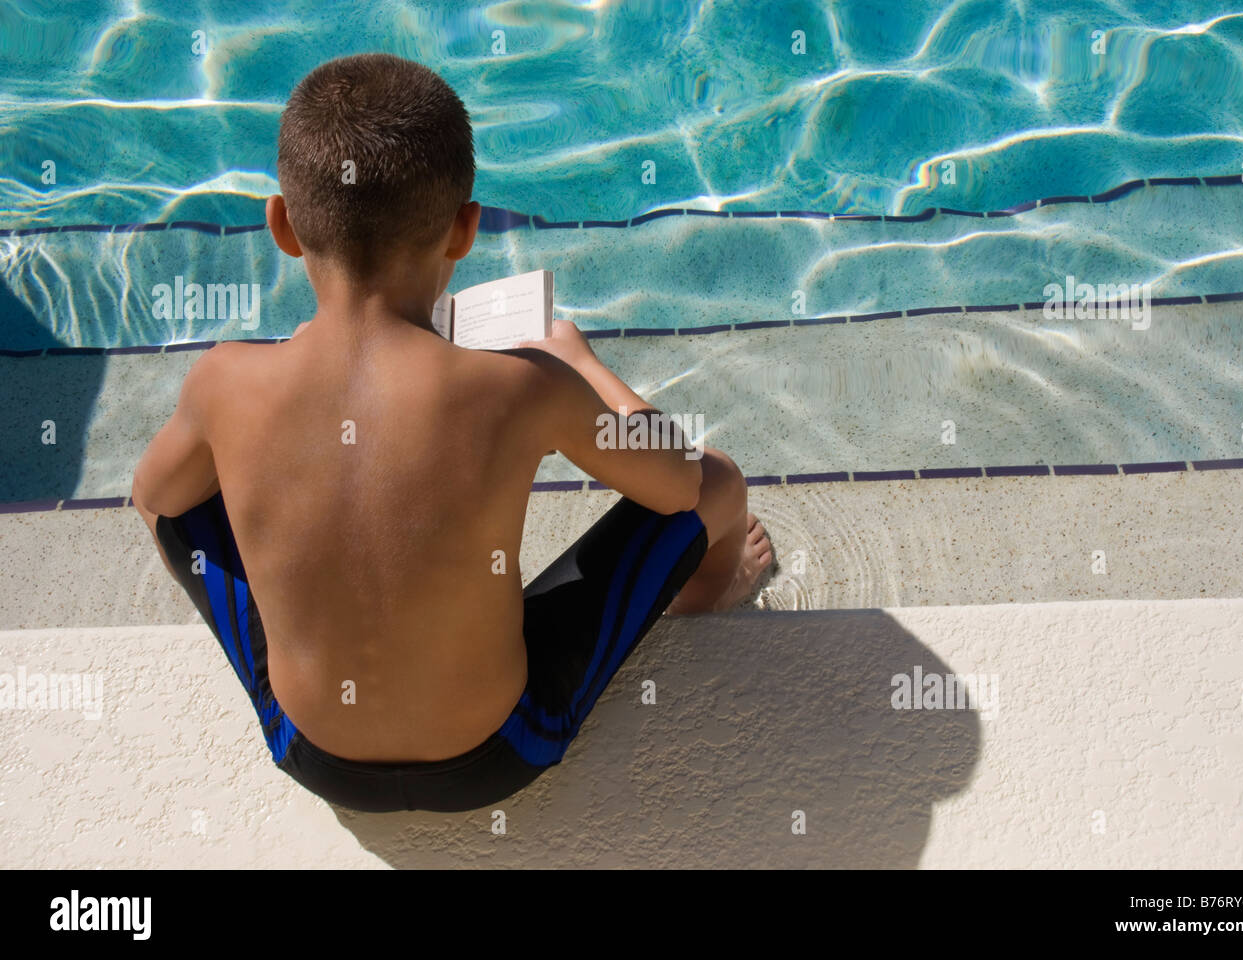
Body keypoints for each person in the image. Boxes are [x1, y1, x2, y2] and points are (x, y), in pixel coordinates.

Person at [132, 53, 771, 813]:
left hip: (311, 751)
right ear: (464, 230)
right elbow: (678, 483)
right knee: (720, 480)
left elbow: (156, 502)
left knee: (179, 510)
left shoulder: (224, 381)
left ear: (282, 226)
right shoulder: (523, 386)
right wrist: (576, 362)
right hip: (500, 753)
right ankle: (712, 595)